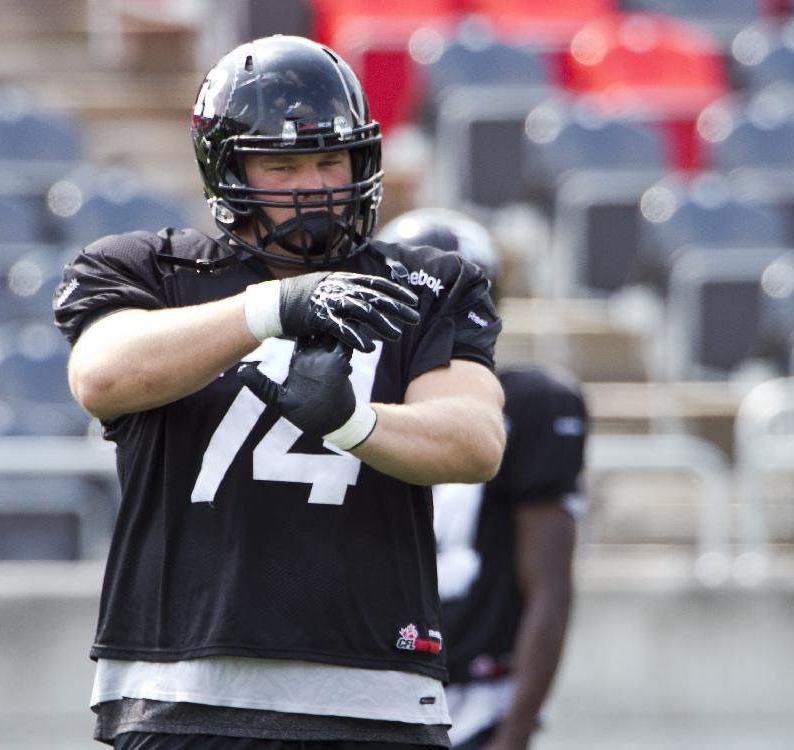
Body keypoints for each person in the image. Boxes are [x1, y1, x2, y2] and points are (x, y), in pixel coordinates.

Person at [53, 35, 506, 750]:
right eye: (283, 165)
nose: (315, 185)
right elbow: (102, 375)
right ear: (226, 168)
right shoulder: (150, 270)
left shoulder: (429, 281)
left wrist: (353, 422)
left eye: (332, 159)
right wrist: (274, 308)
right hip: (182, 690)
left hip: (376, 690)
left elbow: (474, 441)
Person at [376, 208, 588, 750]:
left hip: (477, 692)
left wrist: (515, 731)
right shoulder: (350, 398)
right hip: (371, 687)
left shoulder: (530, 403)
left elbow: (549, 584)